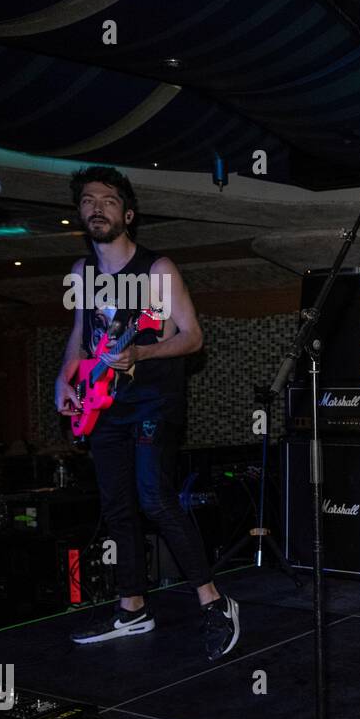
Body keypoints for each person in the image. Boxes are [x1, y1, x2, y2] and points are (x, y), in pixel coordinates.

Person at [53, 166, 240, 660]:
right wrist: (63, 380)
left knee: (155, 497)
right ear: (80, 212)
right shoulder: (81, 274)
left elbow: (193, 336)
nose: (97, 206)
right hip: (102, 408)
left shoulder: (157, 270)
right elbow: (81, 334)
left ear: (127, 213)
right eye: (89, 200)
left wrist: (141, 354)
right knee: (117, 507)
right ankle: (133, 607)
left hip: (154, 402)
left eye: (109, 200)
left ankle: (215, 602)